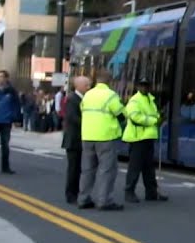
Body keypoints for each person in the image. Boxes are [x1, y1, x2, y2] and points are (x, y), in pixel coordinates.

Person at [78, 69, 125, 211]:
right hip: (105, 137)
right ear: (109, 81)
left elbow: (82, 110)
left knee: (87, 170)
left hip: (87, 136)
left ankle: (83, 199)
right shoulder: (111, 95)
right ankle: (104, 201)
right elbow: (120, 113)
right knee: (107, 170)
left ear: (96, 80)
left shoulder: (87, 95)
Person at [123, 77, 167, 203]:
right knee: (135, 167)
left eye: (146, 85)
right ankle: (129, 192)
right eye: (142, 85)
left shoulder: (151, 100)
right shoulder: (134, 100)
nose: (144, 88)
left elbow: (154, 115)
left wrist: (160, 117)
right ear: (138, 87)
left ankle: (151, 192)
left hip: (148, 137)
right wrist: (155, 121)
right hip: (138, 138)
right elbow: (135, 117)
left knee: (149, 167)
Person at [61, 76, 89, 205]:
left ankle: (77, 192)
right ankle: (71, 194)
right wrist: (88, 123)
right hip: (73, 139)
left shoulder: (83, 99)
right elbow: (72, 117)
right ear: (78, 86)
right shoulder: (72, 99)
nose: (88, 87)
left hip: (79, 138)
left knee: (79, 168)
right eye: (86, 85)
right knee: (73, 168)